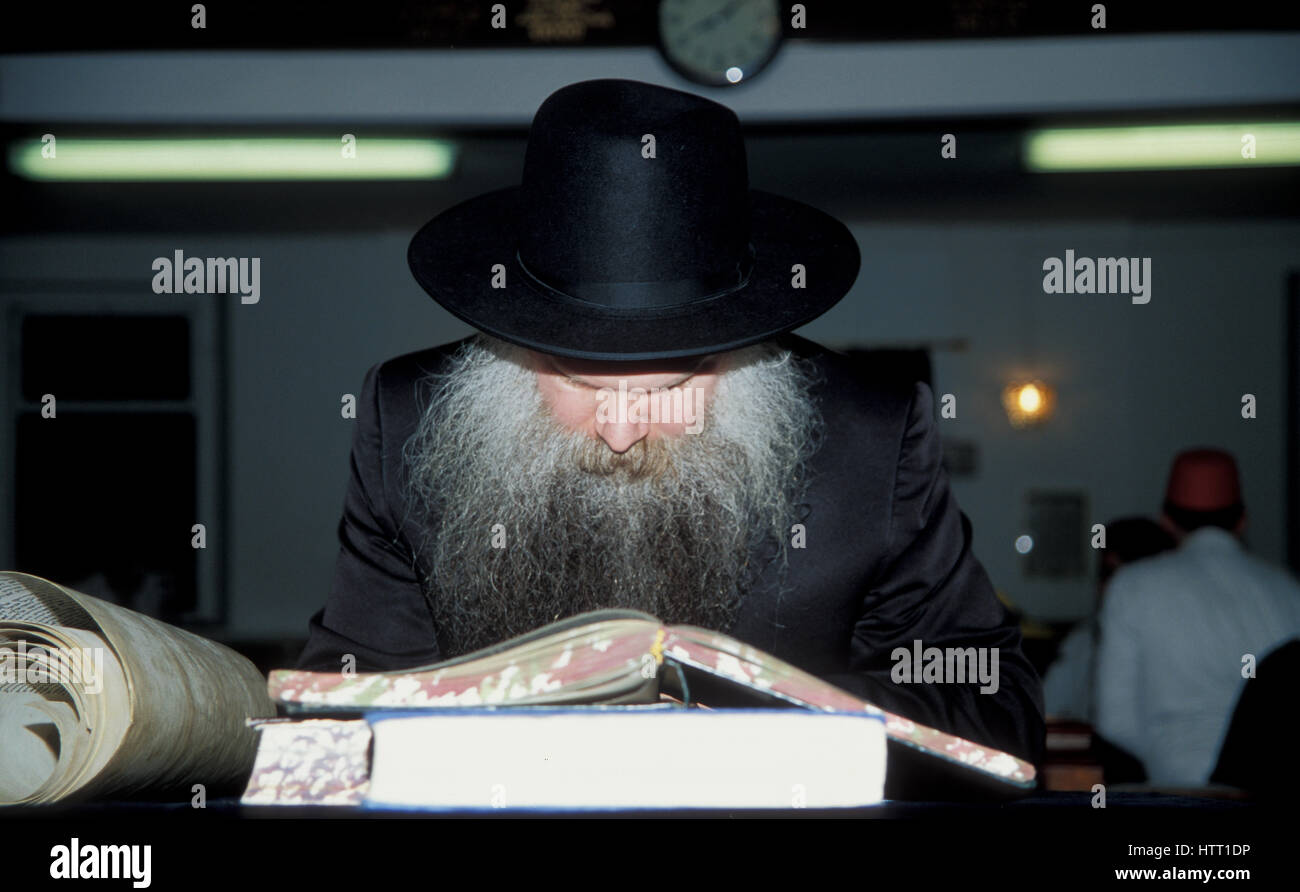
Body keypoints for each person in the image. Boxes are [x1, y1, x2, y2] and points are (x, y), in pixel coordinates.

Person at [296, 79, 1045, 768]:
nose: (621, 430)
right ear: (512, 348)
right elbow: (347, 704)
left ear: (740, 350)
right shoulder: (409, 422)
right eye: (583, 383)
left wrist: (731, 707)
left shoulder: (870, 436)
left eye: (674, 385)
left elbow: (991, 707)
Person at [1094, 448, 1300, 785]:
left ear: (1166, 521)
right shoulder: (1290, 590)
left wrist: (1171, 761)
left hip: (1182, 788)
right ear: (1242, 521)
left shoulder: (1132, 586)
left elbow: (1113, 720)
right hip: (1278, 791)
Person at [1042, 516, 1175, 722]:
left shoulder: (1180, 649)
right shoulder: (1082, 642)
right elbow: (1046, 715)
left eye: (1126, 576)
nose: (1114, 588)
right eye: (1107, 574)